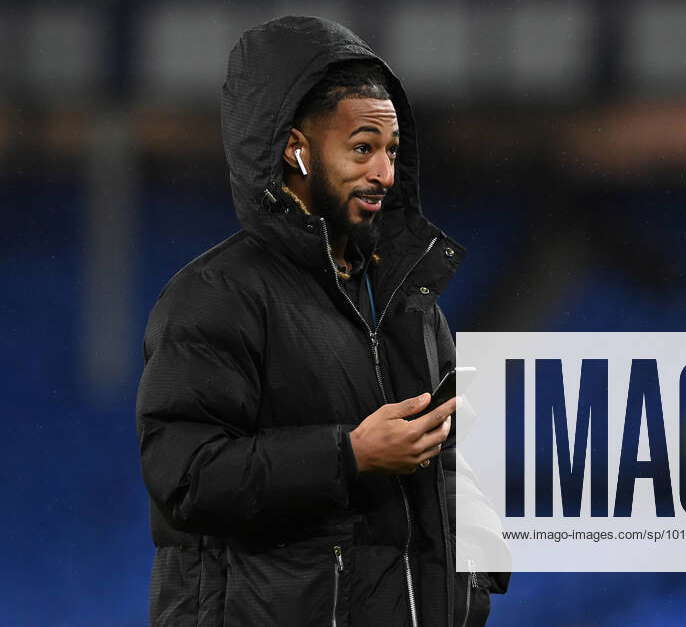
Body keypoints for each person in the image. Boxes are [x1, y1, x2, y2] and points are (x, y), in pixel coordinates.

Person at [136, 15, 509, 626]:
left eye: (391, 151)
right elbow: (186, 480)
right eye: (361, 148)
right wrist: (350, 455)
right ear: (296, 149)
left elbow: (438, 457)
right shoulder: (215, 297)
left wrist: (479, 546)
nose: (384, 173)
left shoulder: (407, 302)